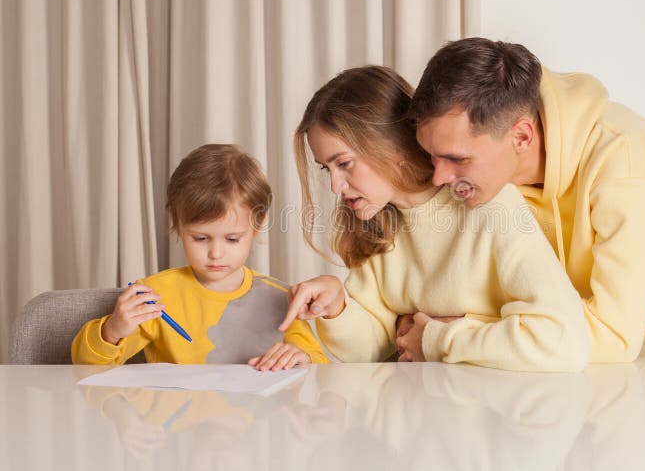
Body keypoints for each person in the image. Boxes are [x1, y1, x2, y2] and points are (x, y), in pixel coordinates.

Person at [408, 37, 645, 361]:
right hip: (633, 358)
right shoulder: (492, 176)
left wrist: (448, 338)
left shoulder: (621, 159)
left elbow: (613, 338)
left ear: (521, 137)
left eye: (457, 159)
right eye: (432, 156)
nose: (439, 177)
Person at [275, 65, 589, 372]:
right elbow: (370, 350)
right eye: (325, 168)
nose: (334, 186)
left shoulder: (490, 205)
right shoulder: (377, 225)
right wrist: (336, 306)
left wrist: (435, 339)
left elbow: (564, 341)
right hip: (420, 411)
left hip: (493, 413)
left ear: (390, 145)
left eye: (343, 163)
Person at [72, 144, 328, 370]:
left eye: (232, 239)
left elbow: (321, 368)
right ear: (177, 223)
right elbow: (84, 367)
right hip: (177, 423)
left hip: (259, 424)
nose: (216, 254)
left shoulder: (282, 298)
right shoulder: (156, 295)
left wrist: (302, 358)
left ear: (257, 226)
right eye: (201, 238)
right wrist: (112, 331)